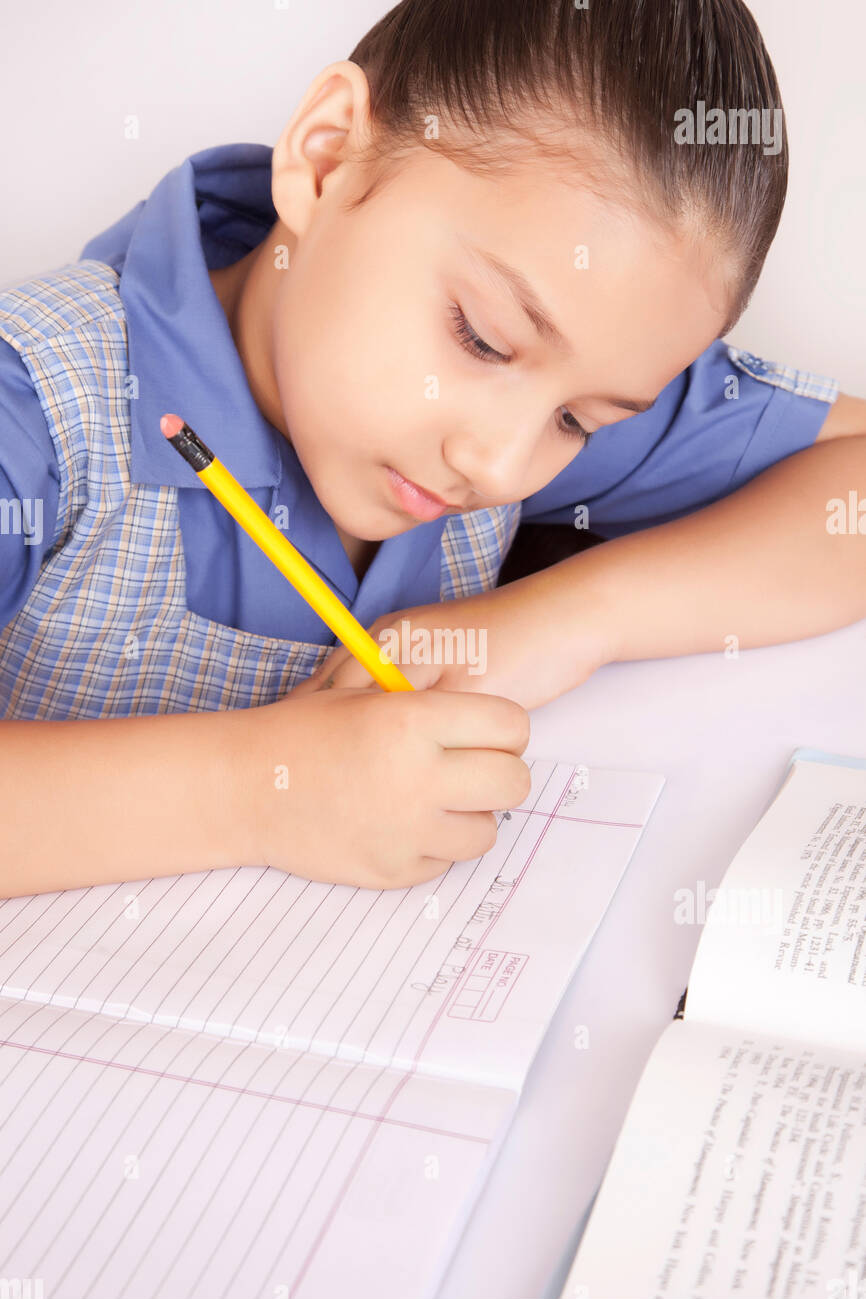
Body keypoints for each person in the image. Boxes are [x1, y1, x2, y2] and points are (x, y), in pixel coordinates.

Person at [1, 0, 863, 898]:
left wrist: (571, 620)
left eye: (581, 423)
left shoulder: (554, 379)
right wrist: (258, 792)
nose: (500, 469)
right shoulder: (37, 405)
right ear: (328, 156)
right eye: (483, 340)